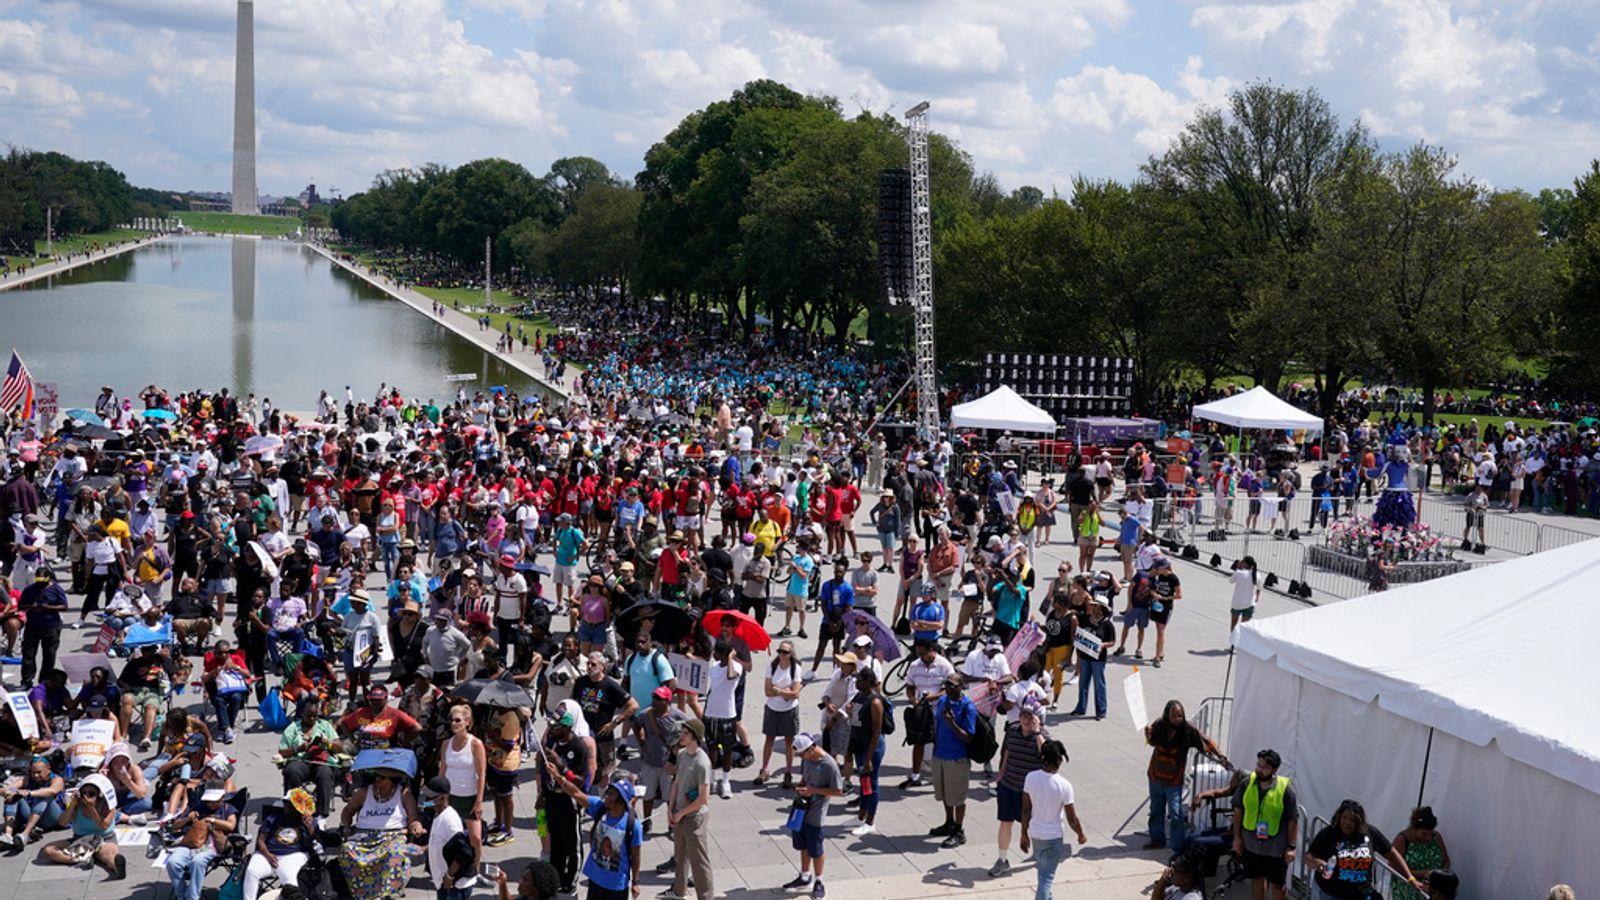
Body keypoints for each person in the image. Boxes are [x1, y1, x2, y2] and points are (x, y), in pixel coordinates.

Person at [544, 763, 644, 900]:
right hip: (595, 880)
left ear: (621, 801)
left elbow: (636, 856)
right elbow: (576, 793)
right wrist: (557, 776)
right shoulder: (600, 807)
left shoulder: (633, 826)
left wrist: (635, 882)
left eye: (612, 794)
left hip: (617, 886)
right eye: (608, 792)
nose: (606, 796)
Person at [1144, 700, 1229, 852]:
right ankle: (1157, 839)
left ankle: (1177, 846)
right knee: (1156, 810)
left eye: (1180, 715)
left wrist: (1220, 756)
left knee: (1175, 813)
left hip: (1173, 781)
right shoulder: (1159, 725)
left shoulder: (1188, 731)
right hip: (1155, 776)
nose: (1177, 719)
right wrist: (1148, 735)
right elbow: (1152, 742)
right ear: (1167, 715)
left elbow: (1206, 741)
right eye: (1174, 715)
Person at [338, 765, 427, 900]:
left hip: (392, 836)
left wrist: (417, 827)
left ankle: (381, 893)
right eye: (376, 776)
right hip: (364, 836)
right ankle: (360, 892)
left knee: (393, 852)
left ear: (392, 780)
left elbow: (413, 818)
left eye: (382, 777)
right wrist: (346, 827)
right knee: (346, 850)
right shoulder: (364, 792)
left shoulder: (404, 794)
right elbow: (347, 811)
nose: (377, 779)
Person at [1307, 799, 1423, 900]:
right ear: (1339, 817)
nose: (1347, 822)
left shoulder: (1370, 833)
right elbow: (1308, 856)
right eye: (1344, 818)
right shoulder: (1329, 833)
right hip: (1330, 894)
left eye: (1352, 819)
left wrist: (1410, 878)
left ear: (1359, 821)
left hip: (1360, 895)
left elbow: (1392, 854)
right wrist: (1317, 863)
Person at [1021, 739, 1087, 900]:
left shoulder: (1031, 778)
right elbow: (1072, 818)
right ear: (1059, 760)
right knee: (1046, 877)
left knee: (1042, 872)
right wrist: (1081, 834)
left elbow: (1025, 810)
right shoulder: (1064, 785)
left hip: (1036, 833)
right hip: (1054, 836)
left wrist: (1023, 834)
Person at [991, 699, 1047, 877]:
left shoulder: (1043, 735)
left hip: (1029, 792)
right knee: (1005, 822)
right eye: (1023, 715)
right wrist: (1001, 772)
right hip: (1008, 785)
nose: (1025, 719)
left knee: (1032, 825)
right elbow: (1007, 751)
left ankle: (1041, 854)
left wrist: (1037, 732)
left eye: (1030, 716)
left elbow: (1046, 756)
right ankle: (1002, 859)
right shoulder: (1013, 731)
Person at [1231, 748, 1298, 900]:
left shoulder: (1286, 790)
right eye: (1258, 765)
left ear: (1274, 770)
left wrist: (1291, 847)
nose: (1259, 770)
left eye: (1264, 767)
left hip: (1275, 848)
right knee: (1257, 879)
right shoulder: (1246, 783)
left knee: (1277, 884)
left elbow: (1293, 819)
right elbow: (1238, 811)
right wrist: (1237, 838)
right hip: (1251, 844)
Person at [782, 733, 842, 899]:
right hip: (801, 808)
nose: (801, 757)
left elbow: (838, 791)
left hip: (817, 812)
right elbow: (805, 776)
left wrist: (814, 791)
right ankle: (804, 876)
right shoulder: (807, 759)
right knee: (802, 845)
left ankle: (819, 881)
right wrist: (801, 786)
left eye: (802, 754)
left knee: (816, 848)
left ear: (811, 749)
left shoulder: (829, 764)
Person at [163, 782, 239, 900]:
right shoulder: (199, 806)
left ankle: (192, 897)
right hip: (191, 842)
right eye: (208, 801)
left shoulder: (228, 809)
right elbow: (174, 826)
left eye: (213, 801)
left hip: (211, 844)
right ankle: (181, 895)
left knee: (197, 862)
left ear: (222, 798)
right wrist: (188, 818)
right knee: (173, 863)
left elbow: (231, 826)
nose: (210, 804)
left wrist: (212, 820)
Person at [665, 718, 713, 900]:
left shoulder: (702, 763)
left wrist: (680, 813)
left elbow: (703, 798)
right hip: (679, 813)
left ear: (694, 736)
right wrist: (671, 808)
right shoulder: (683, 754)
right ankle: (679, 891)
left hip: (694, 817)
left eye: (685, 733)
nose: (681, 736)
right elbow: (676, 782)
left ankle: (706, 896)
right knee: (680, 856)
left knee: (699, 861)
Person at [632, 686, 687, 837]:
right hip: (649, 762)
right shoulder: (646, 714)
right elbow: (636, 724)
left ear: (667, 701)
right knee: (647, 795)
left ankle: (672, 825)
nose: (655, 701)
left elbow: (691, 728)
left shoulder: (677, 715)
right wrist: (641, 741)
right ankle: (647, 821)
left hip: (668, 764)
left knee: (670, 797)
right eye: (654, 698)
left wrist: (679, 748)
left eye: (659, 699)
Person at [244, 788, 318, 900]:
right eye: (285, 803)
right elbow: (261, 839)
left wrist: (309, 828)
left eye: (289, 804)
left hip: (294, 855)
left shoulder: (308, 821)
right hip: (267, 854)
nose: (285, 806)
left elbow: (314, 844)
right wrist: (267, 854)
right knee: (251, 871)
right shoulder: (273, 818)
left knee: (290, 880)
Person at [930, 673, 977, 847]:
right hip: (940, 755)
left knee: (957, 797)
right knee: (944, 794)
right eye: (947, 685)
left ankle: (959, 830)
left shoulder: (968, 707)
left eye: (952, 685)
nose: (948, 688)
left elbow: (969, 737)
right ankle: (949, 822)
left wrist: (952, 723)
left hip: (957, 758)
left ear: (960, 687)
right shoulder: (943, 701)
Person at [438, 701, 487, 856]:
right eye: (452, 720)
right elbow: (443, 771)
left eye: (458, 720)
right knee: (450, 837)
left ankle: (476, 871)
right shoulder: (446, 744)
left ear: (468, 722)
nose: (453, 723)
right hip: (451, 797)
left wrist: (479, 801)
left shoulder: (476, 744)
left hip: (470, 798)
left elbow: (481, 774)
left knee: (476, 838)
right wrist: (442, 796)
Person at [277, 697, 340, 816]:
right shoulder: (293, 728)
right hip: (301, 761)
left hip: (320, 762)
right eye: (309, 715)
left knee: (325, 774)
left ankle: (322, 813)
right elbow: (281, 751)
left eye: (315, 716)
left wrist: (327, 742)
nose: (312, 719)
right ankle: (299, 806)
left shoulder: (324, 726)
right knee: (291, 770)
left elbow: (339, 747)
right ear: (302, 714)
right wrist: (298, 748)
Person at [422, 774, 480, 900]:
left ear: (443, 797)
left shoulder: (450, 821)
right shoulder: (437, 814)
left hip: (456, 885)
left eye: (431, 797)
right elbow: (444, 842)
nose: (427, 800)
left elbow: (465, 853)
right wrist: (425, 848)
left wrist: (449, 875)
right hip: (444, 882)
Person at [847, 667, 887, 836]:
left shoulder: (875, 702)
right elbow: (854, 724)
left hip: (871, 748)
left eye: (860, 679)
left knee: (872, 782)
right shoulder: (859, 696)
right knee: (864, 781)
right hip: (858, 744)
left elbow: (877, 732)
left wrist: (869, 758)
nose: (856, 681)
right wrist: (849, 750)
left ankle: (870, 821)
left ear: (869, 682)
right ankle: (861, 814)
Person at [758, 640, 803, 787]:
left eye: (785, 652)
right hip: (773, 708)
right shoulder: (772, 666)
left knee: (789, 741)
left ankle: (788, 772)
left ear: (791, 654)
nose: (782, 655)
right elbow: (767, 691)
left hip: (789, 710)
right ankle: (764, 769)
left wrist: (779, 691)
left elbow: (796, 693)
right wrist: (785, 693)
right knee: (769, 739)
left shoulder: (795, 668)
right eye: (780, 652)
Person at [704, 640, 743, 799]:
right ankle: (712, 779)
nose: (714, 655)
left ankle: (726, 781)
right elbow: (712, 689)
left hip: (727, 715)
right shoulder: (713, 667)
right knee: (712, 748)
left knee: (727, 750)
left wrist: (731, 658)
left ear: (723, 654)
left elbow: (730, 676)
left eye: (717, 653)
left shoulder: (736, 667)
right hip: (711, 713)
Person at [18, 567, 68, 687]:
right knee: (28, 654)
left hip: (51, 626)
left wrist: (49, 607)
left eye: (43, 580)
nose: (41, 583)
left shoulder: (56, 589)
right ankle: (26, 680)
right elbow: (20, 606)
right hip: (32, 626)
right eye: (39, 580)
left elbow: (65, 606)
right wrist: (31, 606)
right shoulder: (29, 590)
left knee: (49, 655)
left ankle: (45, 679)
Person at [1, 753, 64, 848]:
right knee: (13, 793)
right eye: (33, 772)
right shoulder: (27, 779)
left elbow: (52, 791)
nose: (36, 775)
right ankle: (8, 834)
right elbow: (7, 789)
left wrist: (30, 793)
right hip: (33, 817)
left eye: (39, 772)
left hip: (52, 818)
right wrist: (8, 793)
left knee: (43, 793)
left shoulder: (57, 779)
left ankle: (25, 834)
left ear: (48, 769)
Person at [1391, 806, 1451, 900]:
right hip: (1409, 885)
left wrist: (1441, 876)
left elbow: (1446, 860)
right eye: (1424, 834)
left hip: (1434, 887)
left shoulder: (1436, 837)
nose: (1428, 837)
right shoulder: (1402, 840)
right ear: (1414, 828)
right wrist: (1421, 874)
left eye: (1430, 833)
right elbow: (1393, 867)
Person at [1230, 556, 1260, 632]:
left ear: (1245, 564)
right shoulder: (1257, 575)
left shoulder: (1239, 573)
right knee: (1244, 626)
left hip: (1237, 603)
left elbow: (1231, 580)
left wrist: (1238, 568)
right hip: (1249, 604)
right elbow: (1259, 588)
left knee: (1234, 623)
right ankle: (1241, 642)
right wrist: (1257, 598)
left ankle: (1233, 641)